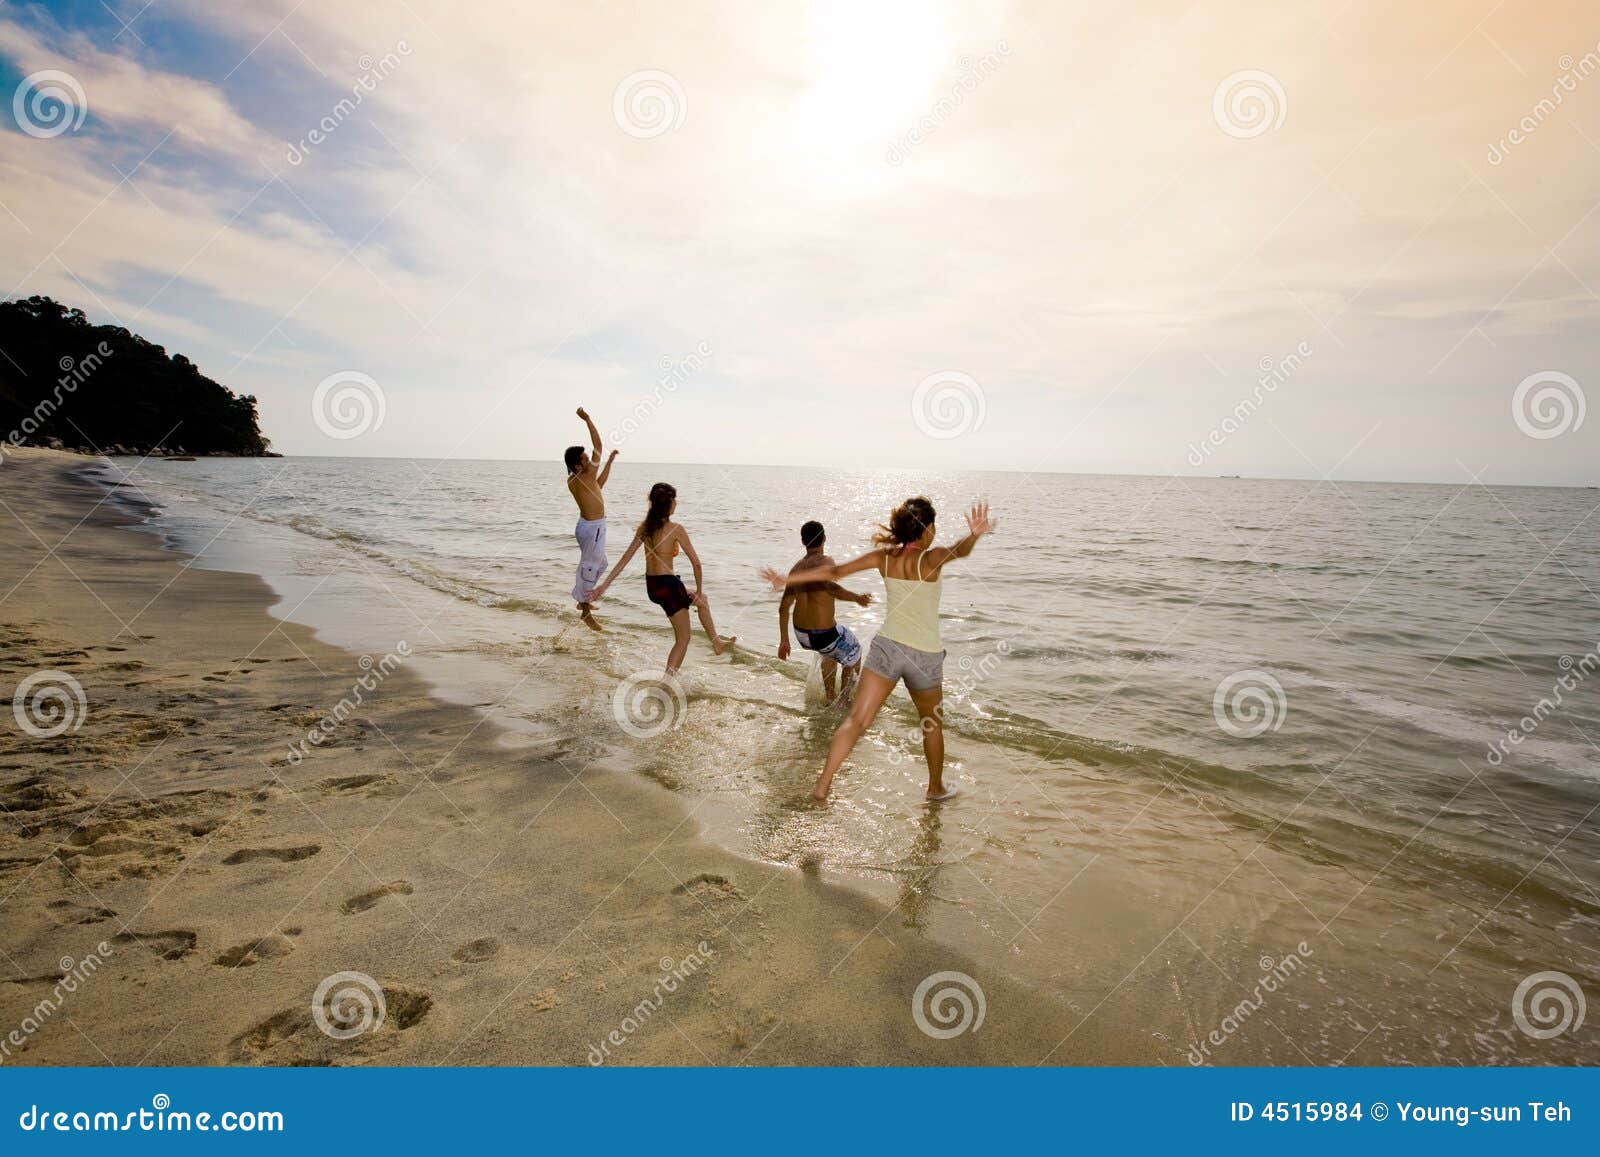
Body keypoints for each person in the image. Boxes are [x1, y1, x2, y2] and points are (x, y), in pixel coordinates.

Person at [762, 497, 997, 804]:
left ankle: (822, 784)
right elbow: (960, 550)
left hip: (887, 648)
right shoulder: (931, 558)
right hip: (924, 656)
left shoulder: (884, 557)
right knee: (930, 724)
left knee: (856, 721)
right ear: (928, 530)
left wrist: (788, 579)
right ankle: (935, 788)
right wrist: (974, 534)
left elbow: (835, 573)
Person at [587, 483, 736, 674]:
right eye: (674, 499)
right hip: (670, 586)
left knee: (702, 601)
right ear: (669, 504)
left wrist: (603, 586)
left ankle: (717, 643)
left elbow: (625, 558)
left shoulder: (644, 528)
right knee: (683, 639)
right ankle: (667, 682)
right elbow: (697, 564)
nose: (676, 503)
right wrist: (697, 589)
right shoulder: (676, 529)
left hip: (653, 587)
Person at [777, 520, 873, 705]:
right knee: (855, 651)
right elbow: (832, 588)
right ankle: (843, 702)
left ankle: (829, 697)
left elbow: (783, 607)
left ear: (803, 542)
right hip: (823, 635)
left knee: (831, 651)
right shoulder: (825, 561)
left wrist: (784, 640)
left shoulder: (795, 569)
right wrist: (857, 598)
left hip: (801, 635)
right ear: (824, 539)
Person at [566, 407, 618, 631]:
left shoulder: (577, 479)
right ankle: (585, 610)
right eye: (586, 459)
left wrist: (609, 463)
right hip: (593, 528)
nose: (590, 461)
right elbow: (598, 446)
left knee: (600, 563)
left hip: (588, 527)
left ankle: (583, 600)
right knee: (589, 566)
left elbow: (599, 486)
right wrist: (587, 419)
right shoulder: (582, 477)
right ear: (578, 465)